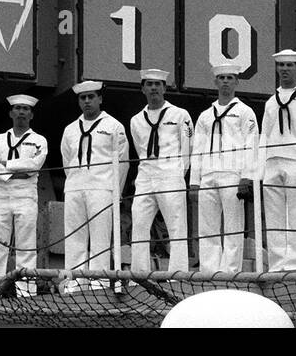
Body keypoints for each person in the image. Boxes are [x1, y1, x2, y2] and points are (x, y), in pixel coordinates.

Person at [59, 80, 129, 290]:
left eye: (91, 97)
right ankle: (74, 285)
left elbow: (123, 162)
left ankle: (99, 284)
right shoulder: (70, 129)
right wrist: (76, 181)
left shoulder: (114, 126)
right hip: (74, 187)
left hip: (102, 187)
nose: (87, 101)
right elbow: (67, 160)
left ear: (100, 99)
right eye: (83, 97)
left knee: (100, 238)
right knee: (74, 238)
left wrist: (115, 190)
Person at [190, 63, 259, 274]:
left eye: (230, 78)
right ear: (215, 82)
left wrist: (246, 176)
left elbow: (252, 145)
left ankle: (230, 271)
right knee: (207, 227)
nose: (226, 81)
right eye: (222, 78)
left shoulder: (244, 111)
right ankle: (210, 270)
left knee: (233, 227)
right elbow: (197, 149)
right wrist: (194, 180)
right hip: (208, 174)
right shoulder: (205, 115)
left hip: (232, 173)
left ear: (237, 81)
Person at [258, 49, 296, 271]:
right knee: (274, 218)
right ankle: (277, 264)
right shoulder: (271, 102)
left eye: (289, 66)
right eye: (281, 66)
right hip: (272, 161)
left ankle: (295, 263)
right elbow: (264, 135)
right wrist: (259, 169)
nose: (284, 70)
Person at [128, 69, 192, 273]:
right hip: (146, 175)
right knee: (139, 224)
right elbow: (139, 147)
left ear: (165, 87)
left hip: (171, 173)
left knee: (176, 225)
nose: (153, 88)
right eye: (149, 84)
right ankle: (140, 272)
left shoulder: (180, 114)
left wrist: (177, 172)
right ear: (142, 89)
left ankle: (178, 273)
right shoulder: (136, 119)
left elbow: (187, 147)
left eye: (157, 84)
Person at [0, 94, 48, 291]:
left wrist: (6, 164)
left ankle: (26, 295)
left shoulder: (39, 140)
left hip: (25, 197)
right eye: (18, 108)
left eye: (25, 109)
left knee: (26, 247)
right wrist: (15, 174)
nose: (21, 112)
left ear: (31, 115)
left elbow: (33, 167)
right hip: (1, 197)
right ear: (11, 113)